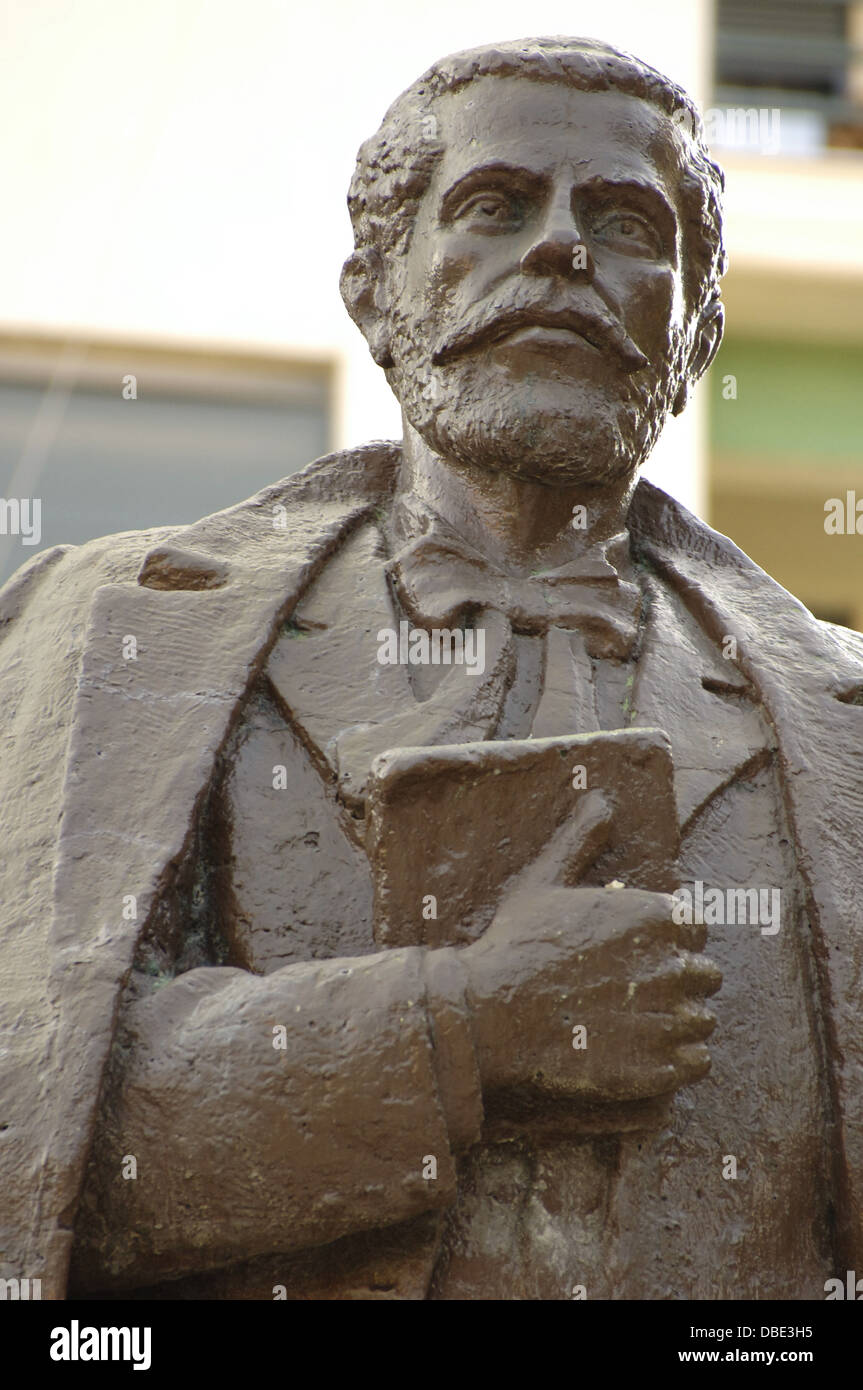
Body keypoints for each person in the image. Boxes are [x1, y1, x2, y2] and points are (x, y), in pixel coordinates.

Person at [2, 37, 862, 1301]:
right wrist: (457, 1026)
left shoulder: (839, 721)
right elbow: (35, 1126)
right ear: (373, 291)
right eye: (493, 207)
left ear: (696, 334)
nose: (562, 249)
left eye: (625, 223)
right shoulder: (86, 642)